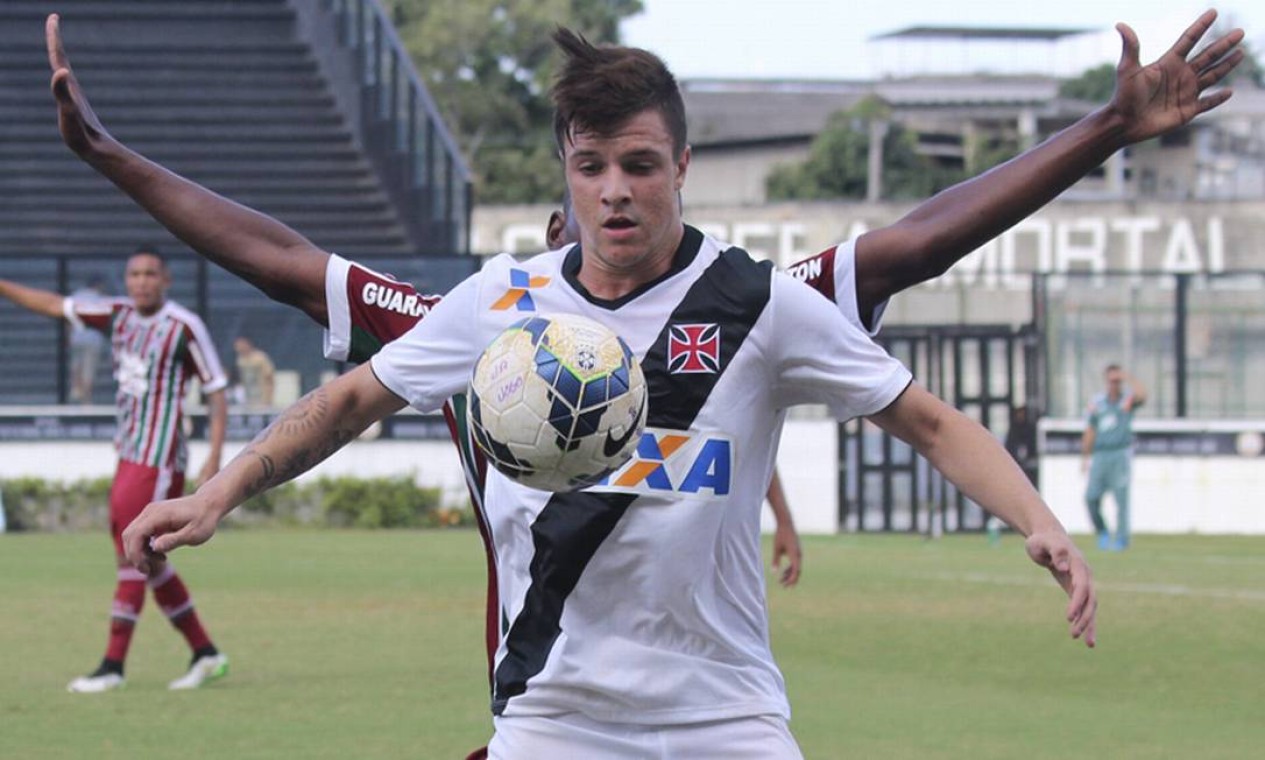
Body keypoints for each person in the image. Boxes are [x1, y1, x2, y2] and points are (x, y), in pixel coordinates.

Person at [46, 8, 1240, 752]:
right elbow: (309, 306)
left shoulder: (758, 299)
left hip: (727, 716)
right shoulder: (492, 308)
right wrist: (225, 482)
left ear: (679, 167)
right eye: (589, 166)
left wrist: (1097, 132)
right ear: (563, 176)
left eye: (638, 163)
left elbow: (917, 260)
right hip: (553, 716)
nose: (614, 188)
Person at [0, 245, 231, 693]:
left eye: (150, 274)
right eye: (134, 274)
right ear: (126, 281)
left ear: (166, 280)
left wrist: (215, 454)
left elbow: (217, 389)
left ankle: (112, 666)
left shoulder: (183, 327)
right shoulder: (117, 315)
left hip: (160, 459)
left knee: (134, 554)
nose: (142, 281)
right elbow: (53, 305)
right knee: (148, 560)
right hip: (128, 453)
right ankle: (205, 653)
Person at [1082, 364, 1147, 551]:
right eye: (1112, 381)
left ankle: (1121, 539)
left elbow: (1143, 395)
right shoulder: (1098, 403)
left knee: (1121, 499)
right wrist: (1085, 458)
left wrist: (1128, 377)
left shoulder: (1126, 400)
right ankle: (1102, 531)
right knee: (1091, 497)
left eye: (1117, 381)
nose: (1114, 385)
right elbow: (1090, 429)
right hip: (1100, 455)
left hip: (1120, 453)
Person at [68, 273, 108, 404]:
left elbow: (67, 316)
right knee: (88, 367)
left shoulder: (76, 295)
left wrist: (68, 334)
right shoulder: (99, 297)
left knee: (76, 363)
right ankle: (86, 400)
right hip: (92, 336)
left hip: (77, 334)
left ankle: (76, 390)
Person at [233, 335, 276, 407]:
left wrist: (268, 398)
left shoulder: (260, 358)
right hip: (249, 400)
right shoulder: (240, 360)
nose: (239, 348)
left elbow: (269, 378)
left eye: (241, 345)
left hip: (262, 399)